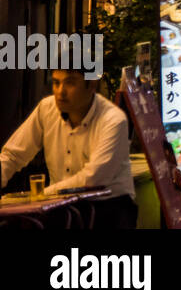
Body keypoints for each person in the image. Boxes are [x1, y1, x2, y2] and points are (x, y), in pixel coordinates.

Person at [1, 61, 137, 229]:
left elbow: (94, 178)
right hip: (60, 204)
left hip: (108, 203)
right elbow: (13, 155)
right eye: (56, 83)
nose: (61, 92)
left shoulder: (113, 119)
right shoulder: (46, 109)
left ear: (91, 84)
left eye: (70, 83)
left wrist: (41, 194)